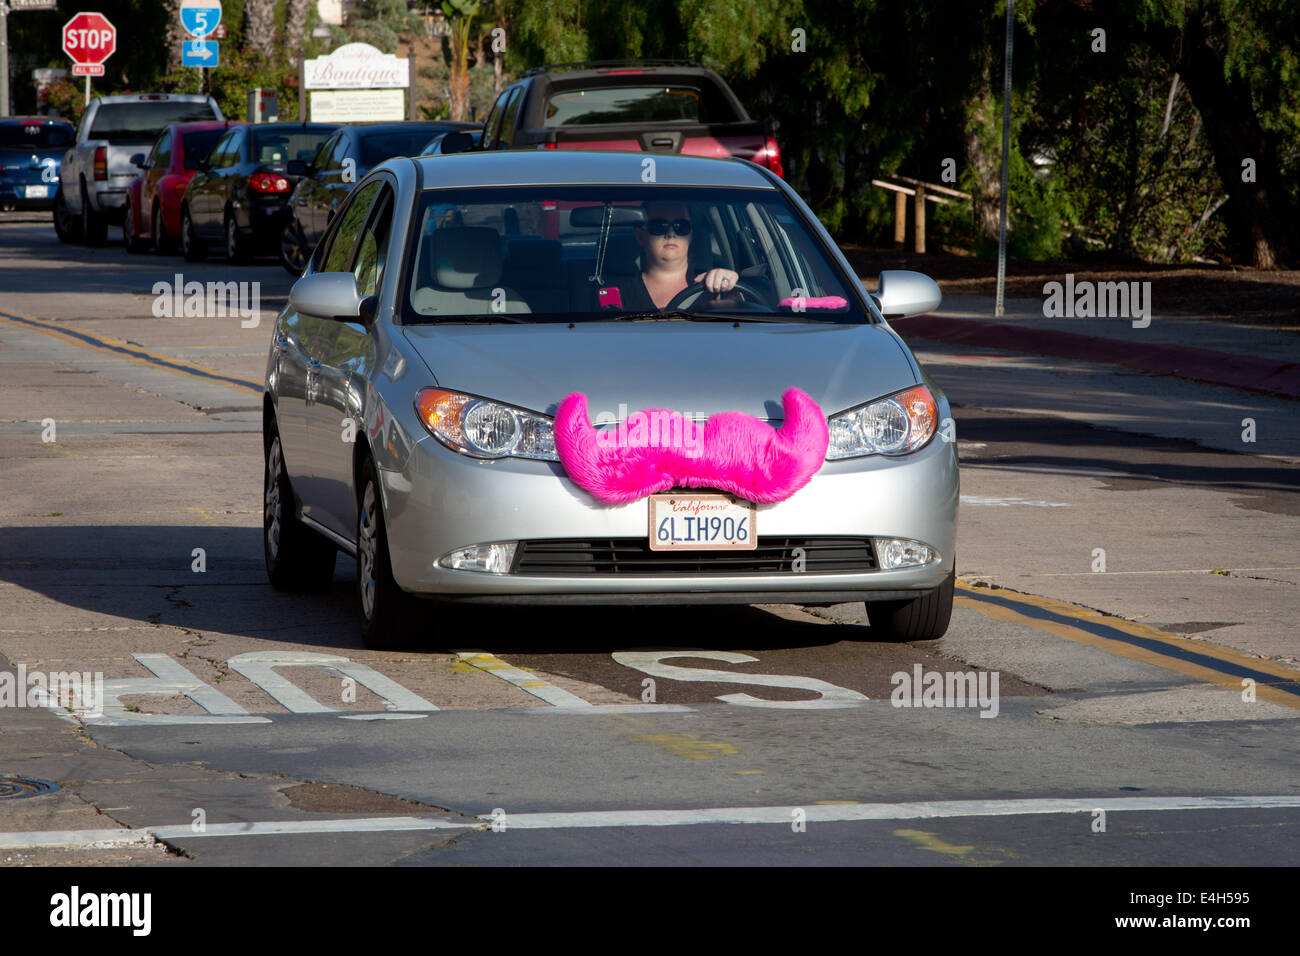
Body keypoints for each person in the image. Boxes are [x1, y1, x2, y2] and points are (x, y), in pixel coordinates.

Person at [612, 201, 741, 311]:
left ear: (691, 235)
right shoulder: (617, 293)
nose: (671, 233)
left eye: (680, 226)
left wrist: (732, 289)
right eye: (659, 226)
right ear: (640, 236)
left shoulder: (714, 288)